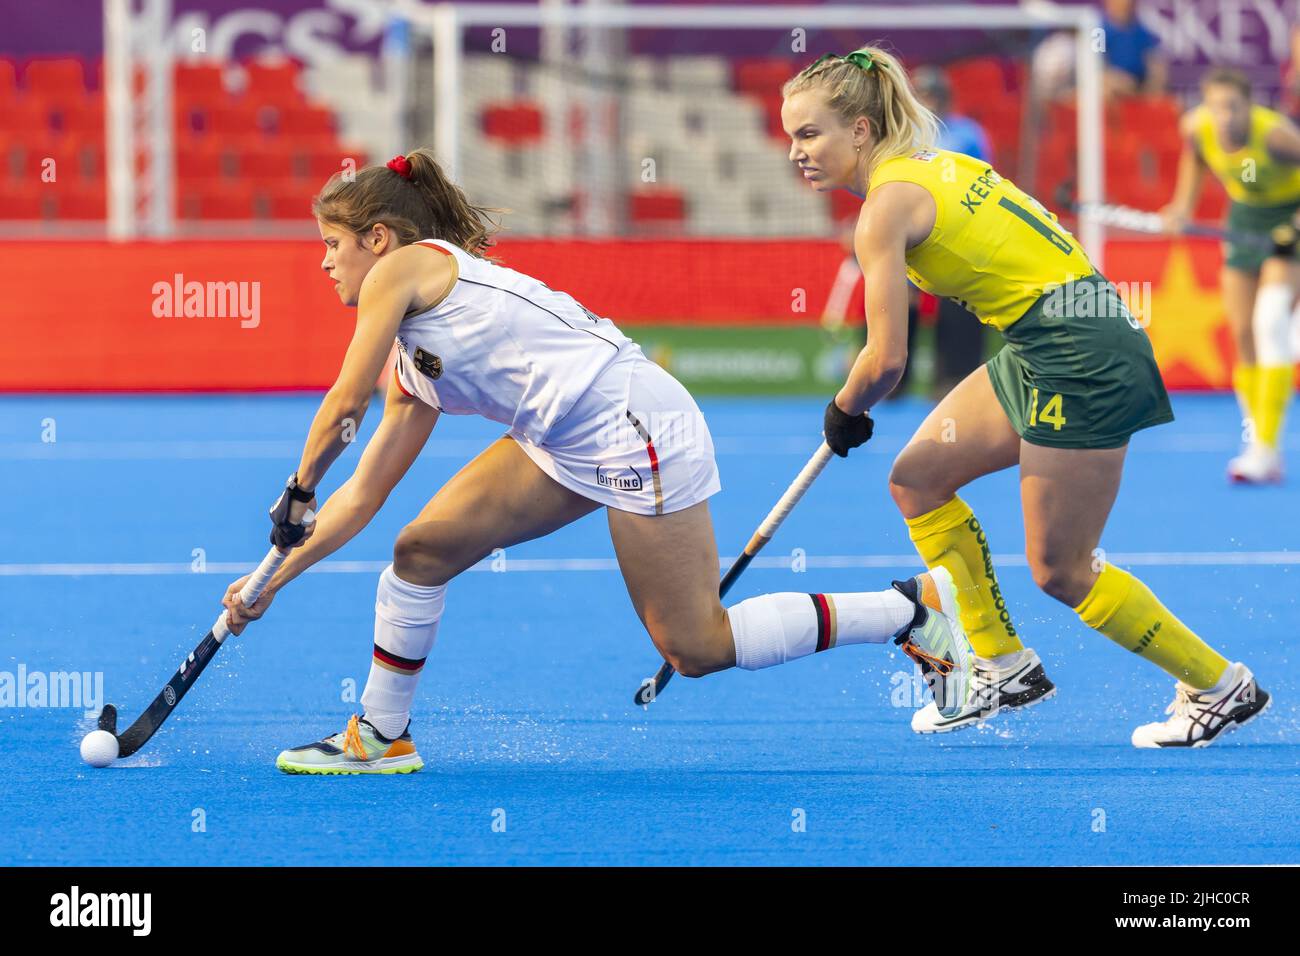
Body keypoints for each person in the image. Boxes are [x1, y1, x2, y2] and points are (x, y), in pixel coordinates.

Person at [221, 148, 975, 774]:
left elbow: (342, 405)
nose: (325, 264)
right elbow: (361, 497)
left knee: (695, 646)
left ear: (378, 239)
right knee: (419, 551)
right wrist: (270, 581)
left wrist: (296, 489)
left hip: (635, 426)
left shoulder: (408, 267)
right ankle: (381, 737)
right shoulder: (414, 367)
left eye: (331, 244)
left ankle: (909, 610)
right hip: (558, 441)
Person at [782, 47, 1271, 746]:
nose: (796, 151)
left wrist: (844, 409)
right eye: (790, 135)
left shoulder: (882, 211)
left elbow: (886, 358)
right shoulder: (940, 162)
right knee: (918, 479)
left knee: (1062, 571)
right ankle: (1002, 665)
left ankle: (1219, 685)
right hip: (1052, 340)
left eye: (810, 133)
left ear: (859, 130)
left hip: (1078, 354)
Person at [1162, 68, 1300, 484]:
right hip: (1243, 221)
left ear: (1248, 104)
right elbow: (1196, 156)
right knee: (1242, 332)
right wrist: (1181, 206)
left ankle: (1265, 448)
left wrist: (1295, 223)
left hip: (1287, 219)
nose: (1223, 116)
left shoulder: (1275, 136)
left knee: (1269, 321)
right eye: (1215, 106)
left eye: (1232, 107)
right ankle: (1258, 442)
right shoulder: (1198, 128)